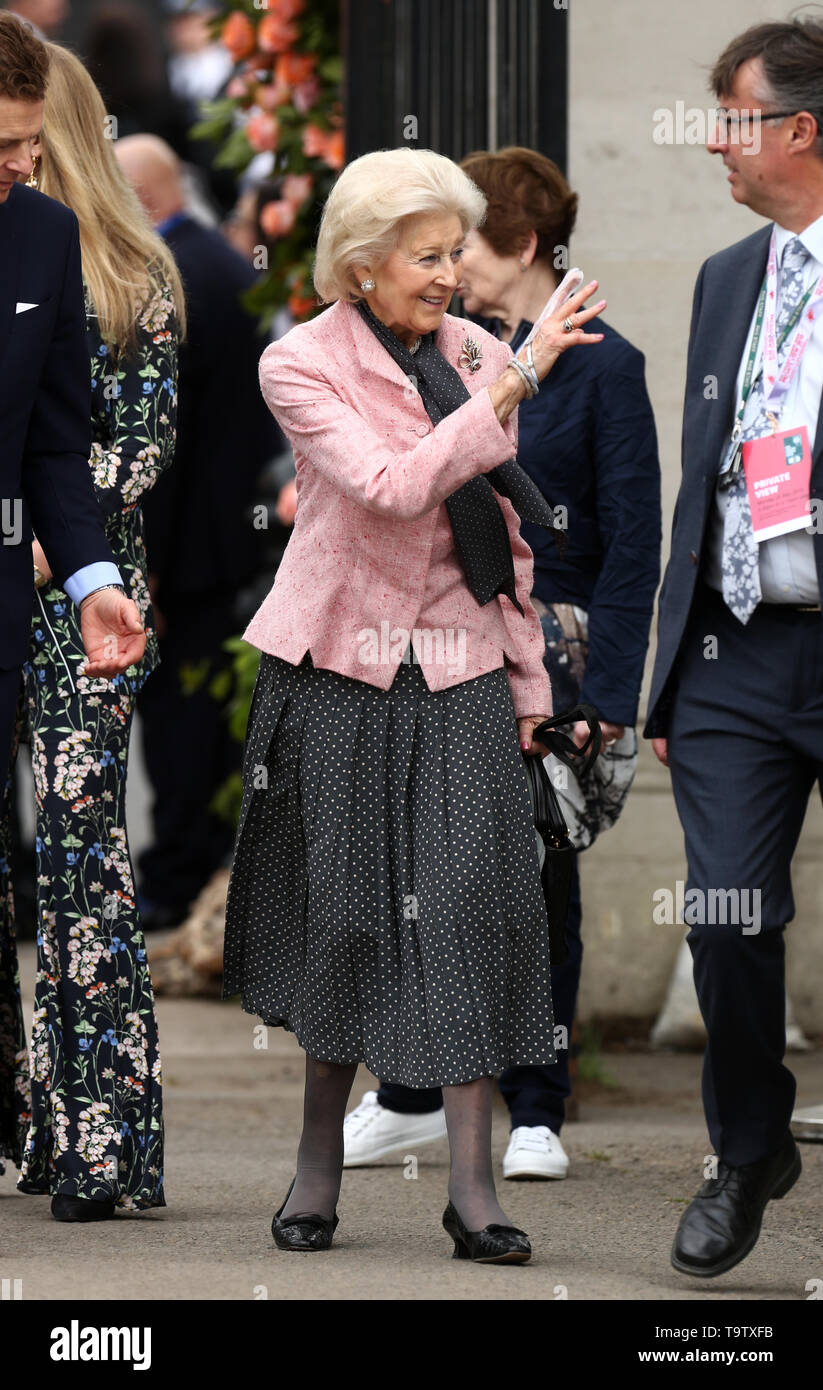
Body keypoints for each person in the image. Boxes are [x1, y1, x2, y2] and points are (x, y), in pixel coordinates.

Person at [222, 145, 606, 1263]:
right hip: (339, 665)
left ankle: (474, 1188)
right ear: (361, 261)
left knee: (475, 905)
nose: (452, 276)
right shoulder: (299, 363)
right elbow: (393, 490)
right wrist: (510, 384)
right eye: (427, 256)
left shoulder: (482, 352)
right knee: (344, 911)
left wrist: (531, 686)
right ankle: (317, 1166)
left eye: (456, 253)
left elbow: (511, 544)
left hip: (462, 670)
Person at [344, 146, 661, 1181]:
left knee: (534, 883)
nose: (444, 267)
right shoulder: (441, 349)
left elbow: (634, 542)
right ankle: (405, 1091)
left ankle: (537, 1105)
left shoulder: (606, 365)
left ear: (521, 245)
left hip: (547, 645)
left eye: (463, 244)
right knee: (411, 870)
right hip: (435, 635)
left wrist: (606, 690)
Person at [645, 17, 823, 1277]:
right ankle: (745, 1144)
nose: (717, 142)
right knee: (723, 915)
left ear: (801, 130)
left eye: (736, 118)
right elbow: (702, 479)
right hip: (734, 653)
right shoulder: (723, 277)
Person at [0, 34, 184, 1221]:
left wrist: (81, 563)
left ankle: (99, 1144)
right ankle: (33, 1123)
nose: (21, 161)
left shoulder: (97, 255)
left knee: (81, 877)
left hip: (73, 600)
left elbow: (86, 446)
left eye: (29, 139)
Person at [114, 133, 279, 929]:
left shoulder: (173, 277)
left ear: (141, 199)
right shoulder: (213, 259)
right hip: (218, 539)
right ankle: (188, 866)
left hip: (186, 552)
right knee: (197, 727)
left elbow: (160, 443)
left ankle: (173, 879)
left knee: (179, 728)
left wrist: (140, 568)